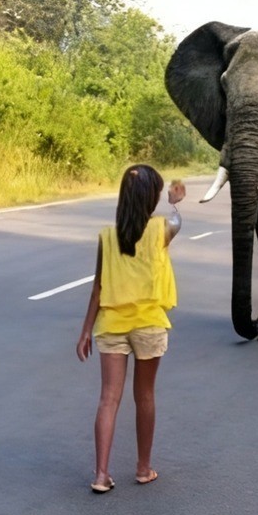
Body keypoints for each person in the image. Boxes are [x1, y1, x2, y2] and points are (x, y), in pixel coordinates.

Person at [77, 165, 185, 493]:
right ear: (152, 198)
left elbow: (97, 287)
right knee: (145, 396)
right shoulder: (161, 229)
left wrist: (84, 332)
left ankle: (100, 474)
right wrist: (175, 202)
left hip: (111, 325)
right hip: (149, 324)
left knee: (108, 399)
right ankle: (142, 468)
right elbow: (177, 222)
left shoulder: (107, 238)